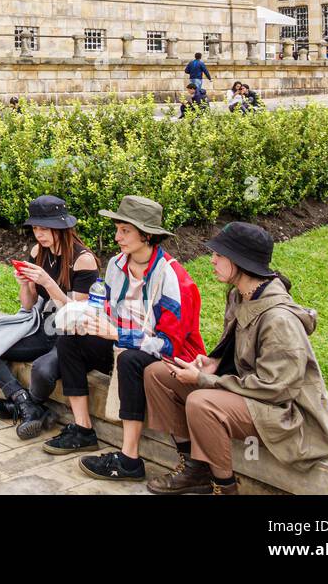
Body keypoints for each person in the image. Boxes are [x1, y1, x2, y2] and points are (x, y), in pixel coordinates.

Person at [145, 222, 328, 495]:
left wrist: (204, 379)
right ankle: (195, 469)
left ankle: (225, 488)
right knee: (158, 374)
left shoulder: (279, 319)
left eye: (219, 255)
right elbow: (240, 355)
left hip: (286, 411)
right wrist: (214, 364)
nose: (212, 259)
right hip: (253, 393)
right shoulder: (240, 295)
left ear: (240, 261)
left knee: (203, 403)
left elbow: (276, 388)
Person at [43, 196, 205, 486]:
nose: (117, 237)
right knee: (70, 339)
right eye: (117, 229)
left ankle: (130, 459)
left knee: (129, 359)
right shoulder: (118, 265)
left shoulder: (174, 279)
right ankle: (83, 430)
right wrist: (89, 321)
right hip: (121, 340)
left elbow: (168, 344)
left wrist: (118, 334)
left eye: (124, 231)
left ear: (147, 235)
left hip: (167, 356)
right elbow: (107, 308)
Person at [0, 196, 98, 439]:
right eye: (36, 228)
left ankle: (31, 407)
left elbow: (78, 315)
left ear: (61, 227)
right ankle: (23, 401)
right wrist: (26, 285)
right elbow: (28, 304)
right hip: (41, 325)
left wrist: (47, 282)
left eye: (45, 228)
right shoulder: (37, 251)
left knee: (42, 369)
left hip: (69, 332)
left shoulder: (83, 260)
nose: (39, 234)